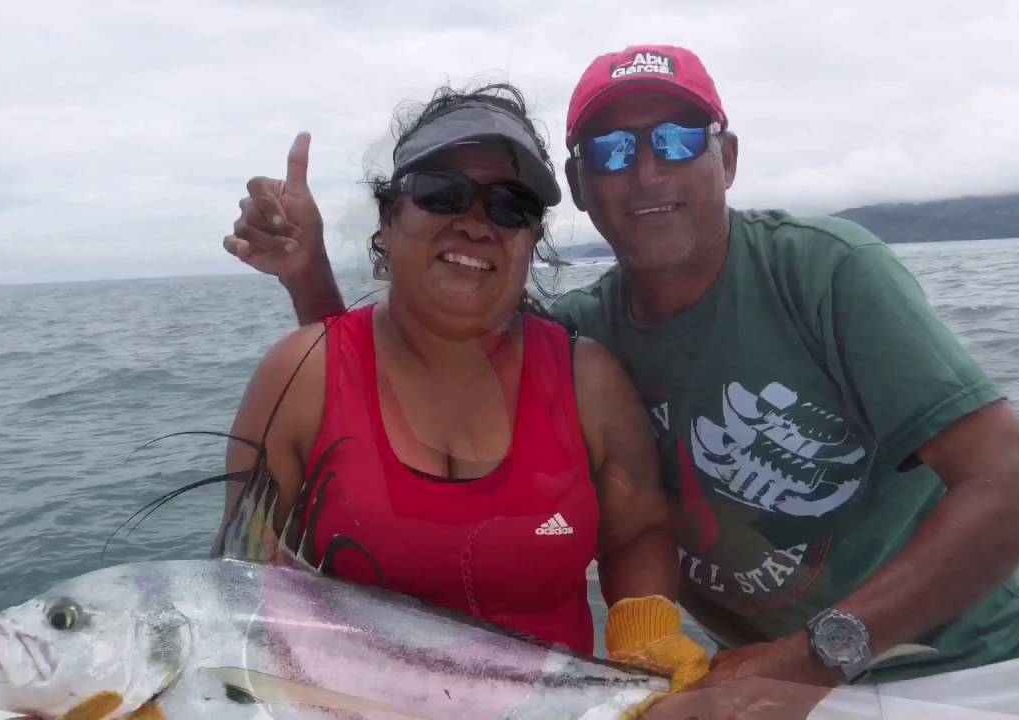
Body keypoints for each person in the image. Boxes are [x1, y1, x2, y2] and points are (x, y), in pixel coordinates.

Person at [224, 50, 1019, 719]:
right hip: (778, 684)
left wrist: (811, 663)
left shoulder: (822, 272)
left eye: (676, 141)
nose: (647, 171)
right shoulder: (577, 346)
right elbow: (396, 362)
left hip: (986, 666)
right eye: (613, 154)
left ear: (725, 160)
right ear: (581, 187)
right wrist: (311, 281)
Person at [220, 81, 710, 699]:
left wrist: (647, 635)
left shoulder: (590, 381)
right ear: (389, 218)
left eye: (510, 206)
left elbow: (637, 530)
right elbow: (237, 584)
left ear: (532, 241)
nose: (477, 224)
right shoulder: (298, 377)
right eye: (443, 193)